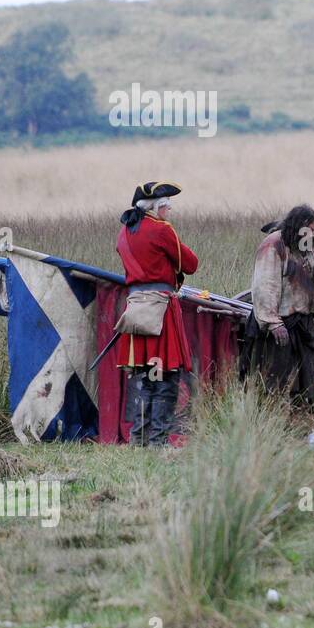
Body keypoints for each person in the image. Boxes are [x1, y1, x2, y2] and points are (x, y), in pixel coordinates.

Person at [114, 181, 199, 447]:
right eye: (166, 205)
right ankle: (158, 442)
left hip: (136, 309)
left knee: (143, 377)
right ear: (156, 207)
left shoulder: (124, 232)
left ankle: (138, 439)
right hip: (160, 309)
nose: (170, 209)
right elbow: (191, 264)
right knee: (166, 378)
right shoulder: (162, 230)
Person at [246, 204, 314, 404]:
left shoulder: (306, 246)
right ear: (301, 225)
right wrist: (273, 323)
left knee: (306, 376)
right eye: (311, 230)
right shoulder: (273, 245)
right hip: (282, 323)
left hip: (303, 322)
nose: (313, 235)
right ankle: (272, 422)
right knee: (277, 377)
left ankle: (302, 419)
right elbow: (265, 286)